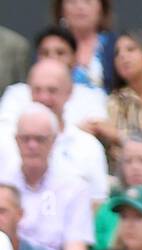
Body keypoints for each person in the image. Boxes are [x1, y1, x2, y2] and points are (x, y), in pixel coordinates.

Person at [0, 104, 93, 250]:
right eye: (25, 138)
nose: (32, 145)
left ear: (54, 140)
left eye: (40, 139)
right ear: (16, 140)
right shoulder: (2, 184)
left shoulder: (75, 187)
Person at [7, 58, 110, 205]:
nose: (44, 98)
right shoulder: (6, 141)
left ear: (69, 92)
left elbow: (98, 204)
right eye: (37, 90)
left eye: (52, 90)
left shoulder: (89, 146)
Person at [0, 26, 106, 135]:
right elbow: (4, 132)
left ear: (74, 59)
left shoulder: (92, 96)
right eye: (45, 53)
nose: (52, 57)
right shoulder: (16, 93)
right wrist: (77, 128)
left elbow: (96, 131)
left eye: (60, 53)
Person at [87, 30, 142, 162]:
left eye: (130, 49)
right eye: (117, 53)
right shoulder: (114, 102)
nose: (122, 56)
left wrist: (119, 136)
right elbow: (115, 155)